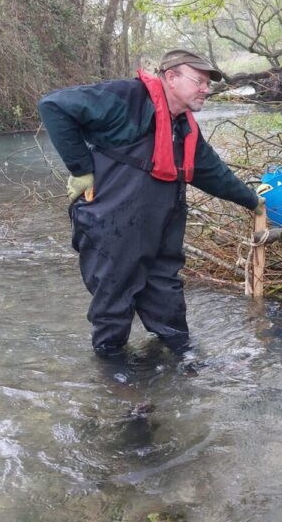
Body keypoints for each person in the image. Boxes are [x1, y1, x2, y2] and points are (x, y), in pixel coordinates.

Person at [38, 49, 263, 359]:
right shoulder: (125, 98)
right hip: (112, 225)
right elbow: (53, 106)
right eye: (199, 81)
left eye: (207, 83)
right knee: (114, 302)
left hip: (162, 230)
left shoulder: (184, 127)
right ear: (171, 77)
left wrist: (253, 201)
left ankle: (182, 359)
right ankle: (113, 374)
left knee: (166, 294)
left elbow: (213, 172)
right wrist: (81, 169)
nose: (206, 89)